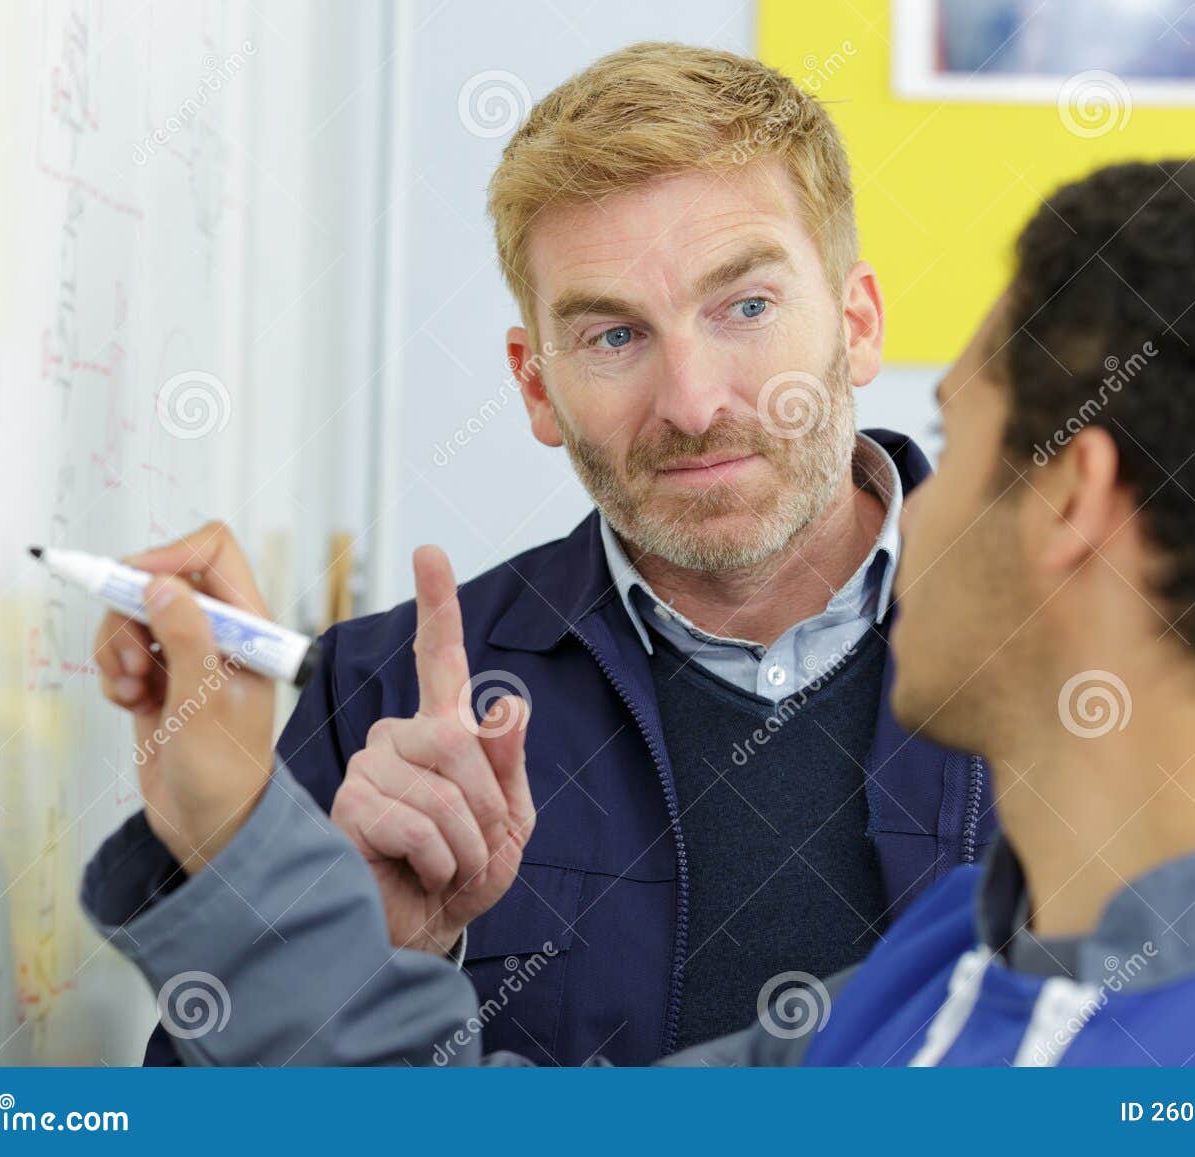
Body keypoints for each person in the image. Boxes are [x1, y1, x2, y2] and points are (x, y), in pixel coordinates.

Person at [84, 155, 1195, 1065]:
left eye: (957, 430)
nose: (692, 402)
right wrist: (236, 835)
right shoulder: (935, 980)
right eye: (615, 332)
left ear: (1071, 500)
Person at [90, 42, 993, 1067]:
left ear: (856, 321)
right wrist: (376, 955)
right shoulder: (378, 695)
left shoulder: (1096, 659)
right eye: (612, 335)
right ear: (534, 384)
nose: (692, 403)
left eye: (745, 307)